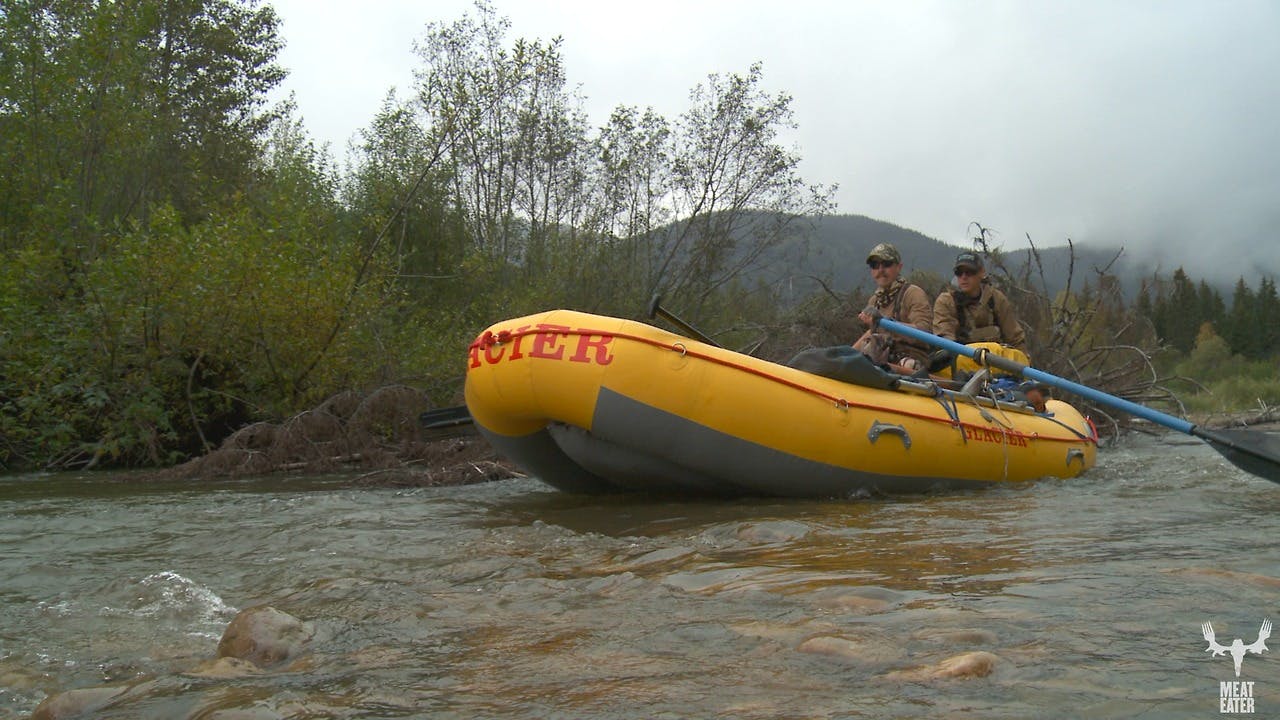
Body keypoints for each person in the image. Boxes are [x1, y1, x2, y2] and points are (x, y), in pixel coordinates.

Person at [854, 243, 932, 373]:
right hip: (880, 355)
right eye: (875, 266)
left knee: (909, 365)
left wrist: (886, 323)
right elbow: (870, 333)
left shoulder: (913, 293)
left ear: (899, 267)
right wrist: (847, 354)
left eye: (886, 264)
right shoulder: (874, 300)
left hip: (910, 358)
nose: (880, 270)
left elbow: (924, 332)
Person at [932, 251, 1027, 352]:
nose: (964, 277)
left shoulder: (997, 299)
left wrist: (1024, 361)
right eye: (959, 273)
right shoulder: (946, 301)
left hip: (997, 363)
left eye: (969, 272)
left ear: (981, 273)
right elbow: (944, 337)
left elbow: (1015, 338)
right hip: (961, 361)